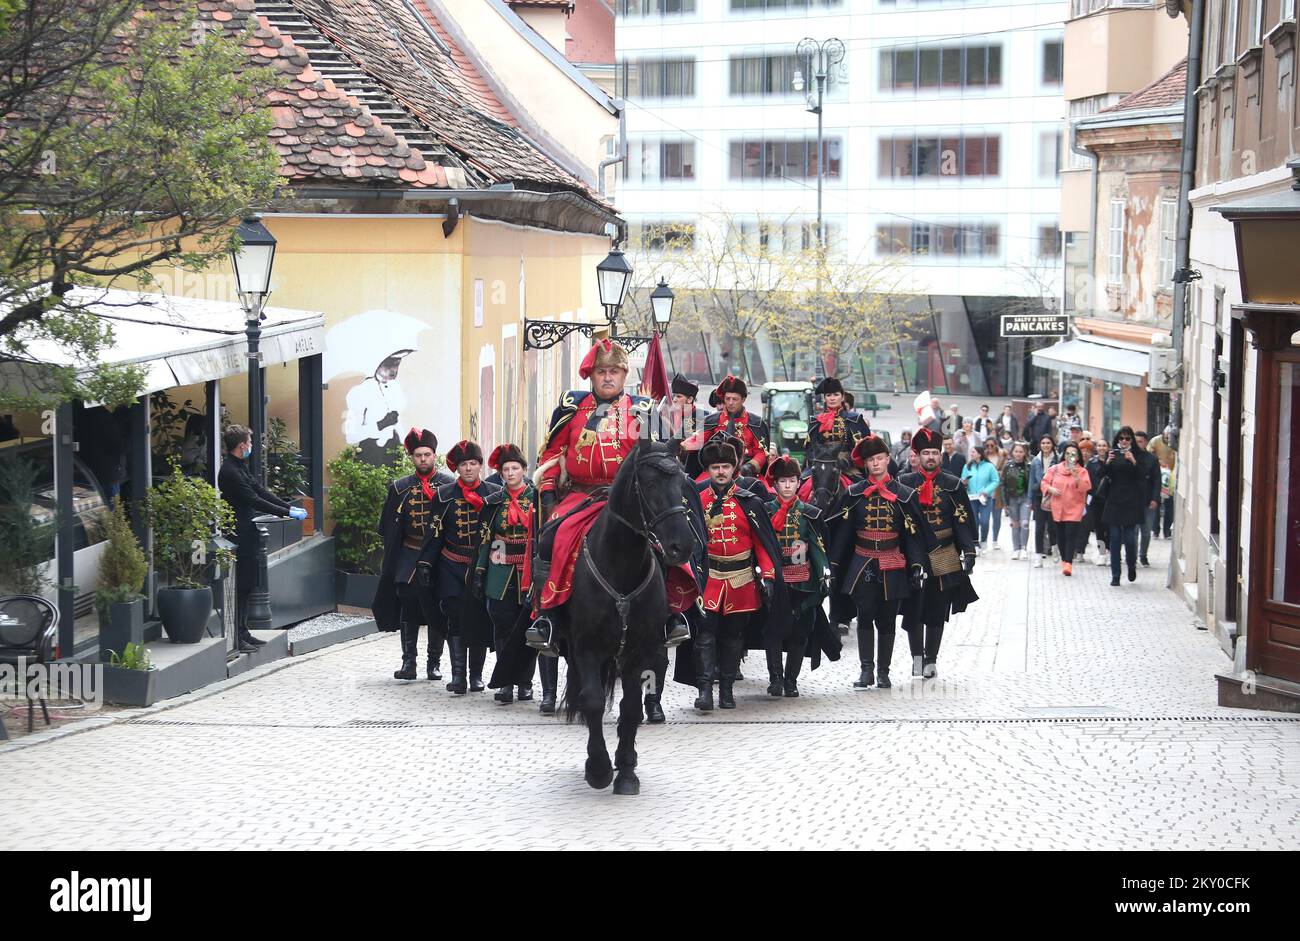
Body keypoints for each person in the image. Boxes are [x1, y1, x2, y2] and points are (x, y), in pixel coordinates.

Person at [528, 339, 692, 654]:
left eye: (614, 371)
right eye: (602, 371)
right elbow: (552, 455)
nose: (607, 378)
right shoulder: (572, 408)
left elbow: (657, 457)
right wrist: (548, 491)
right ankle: (547, 615)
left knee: (668, 535)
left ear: (623, 375)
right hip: (581, 495)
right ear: (592, 375)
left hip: (631, 498)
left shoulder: (642, 410)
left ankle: (673, 612)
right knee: (553, 537)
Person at [690, 436, 783, 710]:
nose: (720, 472)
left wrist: (768, 575)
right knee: (705, 635)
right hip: (709, 579)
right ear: (708, 470)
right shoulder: (698, 500)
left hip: (741, 579)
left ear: (734, 469)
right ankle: (705, 689)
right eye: (716, 467)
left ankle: (727, 689)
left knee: (733, 637)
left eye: (726, 467)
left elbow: (762, 544)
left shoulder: (749, 501)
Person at [831, 435, 926, 690]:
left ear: (888, 460)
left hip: (892, 561)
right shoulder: (854, 493)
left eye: (879, 458)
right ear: (866, 464)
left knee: (886, 620)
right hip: (862, 562)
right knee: (864, 616)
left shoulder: (904, 495)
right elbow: (842, 533)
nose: (875, 463)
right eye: (871, 460)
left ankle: (884, 672)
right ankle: (866, 671)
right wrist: (834, 565)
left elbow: (913, 535)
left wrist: (917, 565)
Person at [371, 427, 454, 681]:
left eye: (427, 454)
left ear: (434, 455)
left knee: (437, 607)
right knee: (408, 606)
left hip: (439, 556)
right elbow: (386, 526)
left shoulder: (449, 485)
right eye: (418, 455)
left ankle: (434, 664)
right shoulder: (399, 487)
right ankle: (409, 663)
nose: (423, 459)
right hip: (408, 553)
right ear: (412, 457)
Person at [417, 440, 500, 693]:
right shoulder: (445, 495)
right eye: (464, 464)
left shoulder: (494, 494)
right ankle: (458, 676)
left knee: (479, 618)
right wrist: (425, 563)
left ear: (480, 465)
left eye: (473, 463)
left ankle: (476, 676)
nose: (468, 468)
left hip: (482, 566)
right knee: (454, 618)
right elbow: (434, 533)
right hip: (451, 564)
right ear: (458, 468)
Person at [898, 427, 978, 678]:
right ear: (917, 455)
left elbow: (962, 520)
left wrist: (969, 550)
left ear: (940, 456)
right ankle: (917, 659)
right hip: (914, 553)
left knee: (937, 608)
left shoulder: (953, 484)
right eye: (925, 452)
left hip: (944, 551)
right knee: (913, 606)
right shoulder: (904, 483)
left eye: (934, 452)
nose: (930, 456)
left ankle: (931, 659)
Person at [219, 424, 307, 653]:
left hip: (248, 531)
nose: (251, 446)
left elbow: (260, 490)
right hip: (239, 532)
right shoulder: (229, 471)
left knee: (248, 583)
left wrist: (288, 507)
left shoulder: (240, 466)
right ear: (241, 446)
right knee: (242, 585)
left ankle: (244, 630)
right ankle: (238, 635)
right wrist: (287, 513)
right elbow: (253, 499)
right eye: (249, 442)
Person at [475, 444, 546, 709]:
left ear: (524, 470)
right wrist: (480, 571)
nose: (510, 473)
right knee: (503, 626)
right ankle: (505, 681)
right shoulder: (493, 502)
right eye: (505, 469)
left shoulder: (538, 498)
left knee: (528, 628)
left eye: (515, 468)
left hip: (528, 572)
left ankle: (525, 683)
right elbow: (485, 539)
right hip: (500, 572)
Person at [765, 455, 831, 697]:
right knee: (773, 630)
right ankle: (775, 679)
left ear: (798, 482)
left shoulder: (810, 513)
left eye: (792, 481)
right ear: (775, 484)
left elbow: (817, 546)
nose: (787, 486)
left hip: (803, 580)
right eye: (782, 481)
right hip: (775, 579)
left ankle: (791, 680)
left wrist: (824, 571)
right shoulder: (765, 511)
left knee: (800, 632)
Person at [345, 349, 413, 465]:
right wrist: (381, 424)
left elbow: (398, 424)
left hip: (393, 452)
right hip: (371, 453)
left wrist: (406, 447)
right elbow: (351, 436)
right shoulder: (360, 391)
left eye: (397, 363)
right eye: (388, 364)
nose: (394, 369)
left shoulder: (395, 388)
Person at [699, 374, 770, 478]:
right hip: (715, 470)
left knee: (769, 493)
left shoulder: (756, 422)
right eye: (727, 399)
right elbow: (695, 443)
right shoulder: (710, 420)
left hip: (745, 470)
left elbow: (762, 452)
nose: (730, 403)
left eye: (735, 399)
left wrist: (750, 466)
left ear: (743, 399)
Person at [1040, 441, 1092, 576]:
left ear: (1078, 456)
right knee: (1061, 536)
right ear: (1064, 455)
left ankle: (1068, 563)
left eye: (1073, 454)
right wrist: (1050, 488)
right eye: (1067, 453)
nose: (1070, 456)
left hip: (1075, 508)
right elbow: (1044, 482)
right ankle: (1065, 561)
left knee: (1071, 535)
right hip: (1057, 507)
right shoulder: (1055, 469)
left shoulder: (1082, 471)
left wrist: (1076, 476)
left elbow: (1085, 488)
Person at [1102, 427, 1145, 586]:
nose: (1124, 441)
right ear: (1117, 439)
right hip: (1114, 499)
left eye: (1127, 438)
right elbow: (1102, 474)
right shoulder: (1112, 454)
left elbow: (1142, 476)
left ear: (1132, 440)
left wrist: (1133, 461)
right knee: (1113, 539)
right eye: (1121, 438)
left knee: (1130, 539)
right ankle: (1115, 575)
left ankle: (1131, 565)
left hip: (1131, 500)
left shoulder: (1137, 454)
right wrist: (1107, 462)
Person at [807, 376, 871, 458]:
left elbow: (865, 447)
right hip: (819, 464)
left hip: (848, 465)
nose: (832, 398)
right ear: (824, 398)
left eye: (836, 395)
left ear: (842, 397)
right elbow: (809, 448)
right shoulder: (815, 421)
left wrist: (848, 459)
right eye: (828, 395)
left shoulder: (854, 419)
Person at [664, 373, 706, 477]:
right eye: (674, 396)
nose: (674, 399)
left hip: (694, 472)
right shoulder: (672, 415)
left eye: (678, 396)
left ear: (690, 399)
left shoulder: (697, 416)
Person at [960, 445, 999, 552]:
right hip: (971, 498)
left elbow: (995, 480)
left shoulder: (989, 466)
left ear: (979, 454)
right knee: (974, 522)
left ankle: (984, 541)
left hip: (985, 498)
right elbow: (962, 481)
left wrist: (986, 491)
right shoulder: (967, 467)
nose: (971, 454)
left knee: (985, 521)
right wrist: (964, 484)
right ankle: (975, 543)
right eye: (970, 452)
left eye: (973, 452)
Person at [1028, 434, 1058, 567]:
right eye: (1043, 443)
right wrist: (1030, 499)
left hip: (1054, 496)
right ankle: (1038, 555)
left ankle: (1055, 548)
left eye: (1048, 443)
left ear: (1052, 445)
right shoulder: (1035, 461)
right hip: (1039, 496)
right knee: (1039, 527)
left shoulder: (1057, 459)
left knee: (1052, 527)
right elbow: (1031, 481)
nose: (1046, 445)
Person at [1133, 430, 1162, 565]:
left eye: (1140, 441)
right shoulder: (1129, 457)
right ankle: (1132, 555)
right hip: (1132, 501)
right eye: (1135, 441)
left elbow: (1157, 480)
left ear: (1145, 443)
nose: (1137, 444)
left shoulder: (1152, 459)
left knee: (1146, 531)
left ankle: (1143, 555)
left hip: (1148, 499)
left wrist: (1155, 499)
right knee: (1133, 531)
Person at [1000, 442, 1032, 560]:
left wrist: (1031, 499)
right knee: (1015, 524)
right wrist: (1004, 502)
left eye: (1021, 452)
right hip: (1012, 498)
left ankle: (1023, 548)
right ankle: (1016, 549)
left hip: (1025, 497)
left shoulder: (1029, 466)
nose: (1018, 454)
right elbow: (1002, 484)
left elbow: (1031, 483)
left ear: (1024, 453)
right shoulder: (1008, 466)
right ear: (1012, 452)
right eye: (1016, 451)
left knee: (1024, 523)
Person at [1086, 437, 1111, 565]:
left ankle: (1110, 551)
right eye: (1099, 446)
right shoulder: (1092, 462)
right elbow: (1088, 480)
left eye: (1104, 446)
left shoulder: (1112, 461)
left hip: (1110, 499)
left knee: (1110, 527)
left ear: (1108, 448)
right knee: (1099, 528)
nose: (1101, 448)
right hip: (1096, 499)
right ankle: (1102, 553)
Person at [1148, 427, 1177, 537]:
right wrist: (1158, 462)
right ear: (1163, 433)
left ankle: (1167, 531)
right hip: (1157, 474)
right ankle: (1155, 530)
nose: (1168, 437)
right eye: (1166, 435)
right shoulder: (1155, 441)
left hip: (1170, 476)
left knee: (1169, 504)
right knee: (1156, 502)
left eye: (1170, 436)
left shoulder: (1174, 443)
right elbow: (1149, 453)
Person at [984, 440, 1005, 549]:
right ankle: (984, 540)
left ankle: (995, 540)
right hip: (985, 491)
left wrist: (997, 474)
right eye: (987, 445)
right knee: (985, 519)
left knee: (997, 517)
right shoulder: (983, 457)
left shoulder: (1002, 457)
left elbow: (1006, 472)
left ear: (996, 445)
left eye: (992, 445)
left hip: (998, 492)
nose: (989, 447)